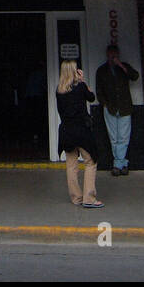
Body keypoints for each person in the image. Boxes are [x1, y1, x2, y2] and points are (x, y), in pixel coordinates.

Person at [57, 60, 103, 208]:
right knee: (90, 161)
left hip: (66, 131)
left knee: (71, 165)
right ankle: (89, 198)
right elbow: (91, 97)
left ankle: (76, 198)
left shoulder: (59, 90)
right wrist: (82, 80)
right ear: (74, 71)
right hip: (81, 131)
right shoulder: (80, 87)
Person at [95, 42, 139, 176]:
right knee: (113, 137)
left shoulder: (123, 67)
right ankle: (120, 162)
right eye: (110, 54)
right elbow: (99, 90)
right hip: (110, 107)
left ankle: (120, 163)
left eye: (115, 54)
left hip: (124, 106)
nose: (113, 56)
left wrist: (121, 65)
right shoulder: (101, 70)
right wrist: (105, 104)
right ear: (107, 55)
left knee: (124, 136)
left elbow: (135, 76)